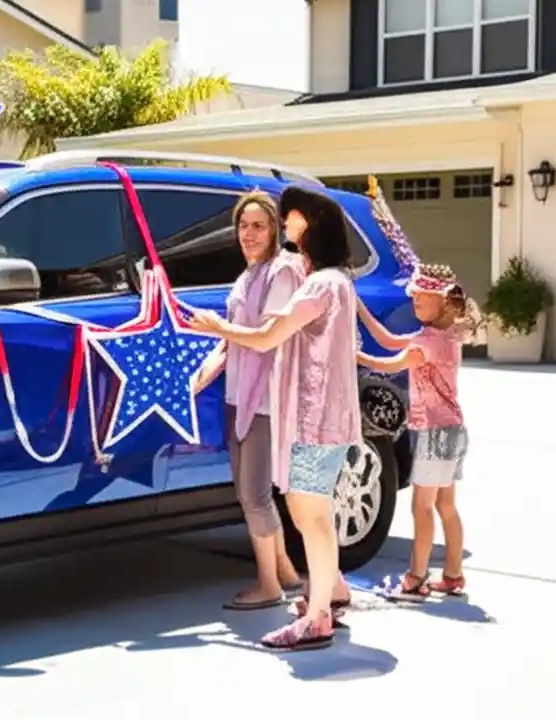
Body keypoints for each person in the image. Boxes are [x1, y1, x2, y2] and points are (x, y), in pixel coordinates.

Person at [189, 184, 361, 651]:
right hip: (323, 419)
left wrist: (218, 327)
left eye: (291, 219)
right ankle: (331, 595)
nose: (286, 226)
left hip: (313, 420)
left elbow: (267, 337)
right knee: (314, 515)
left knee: (310, 517)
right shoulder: (335, 282)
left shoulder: (322, 283)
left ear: (313, 225)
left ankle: (318, 617)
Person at [192, 191, 305, 610]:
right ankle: (287, 572)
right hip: (238, 396)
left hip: (267, 400)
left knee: (255, 494)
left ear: (275, 229)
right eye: (243, 226)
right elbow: (233, 337)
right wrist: (210, 366)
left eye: (258, 225)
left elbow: (264, 338)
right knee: (248, 494)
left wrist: (218, 328)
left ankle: (269, 585)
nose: (249, 234)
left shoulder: (283, 274)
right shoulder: (247, 276)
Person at [355, 264, 476, 600]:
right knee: (446, 506)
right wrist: (359, 307)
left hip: (434, 434)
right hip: (452, 429)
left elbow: (387, 361)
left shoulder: (427, 343)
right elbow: (389, 340)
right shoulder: (445, 335)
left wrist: (352, 354)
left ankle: (415, 578)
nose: (416, 301)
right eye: (415, 296)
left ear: (441, 301)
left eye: (423, 297)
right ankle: (452, 574)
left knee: (421, 507)